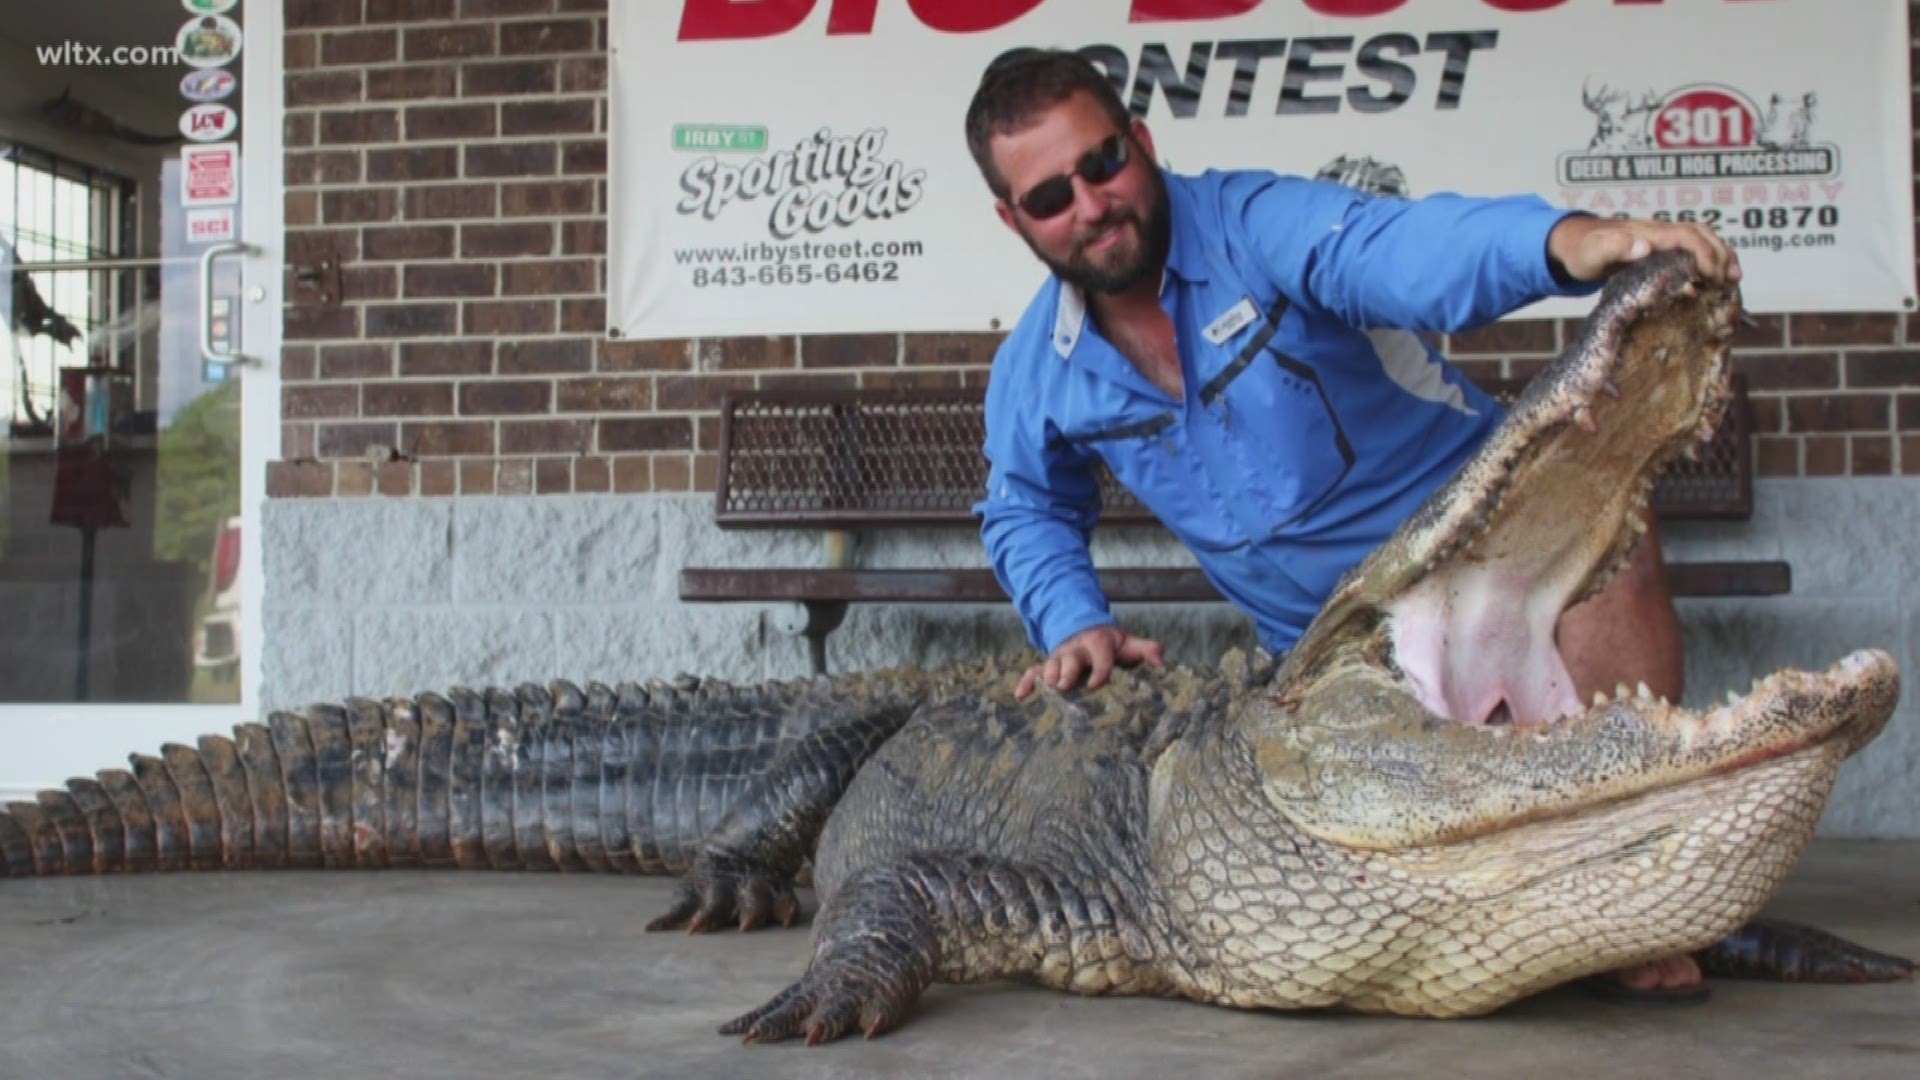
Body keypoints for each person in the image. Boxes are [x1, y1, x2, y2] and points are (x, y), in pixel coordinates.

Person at [964, 48, 1740, 999]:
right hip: (1329, 661)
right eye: (1050, 196)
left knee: (1603, 540)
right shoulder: (1039, 367)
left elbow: (1401, 250)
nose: (1090, 204)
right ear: (1014, 220)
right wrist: (1072, 619)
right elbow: (1027, 503)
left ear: (1142, 142)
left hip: (1487, 563)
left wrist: (1569, 245)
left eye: (1103, 162)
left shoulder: (1257, 225)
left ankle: (1637, 870)